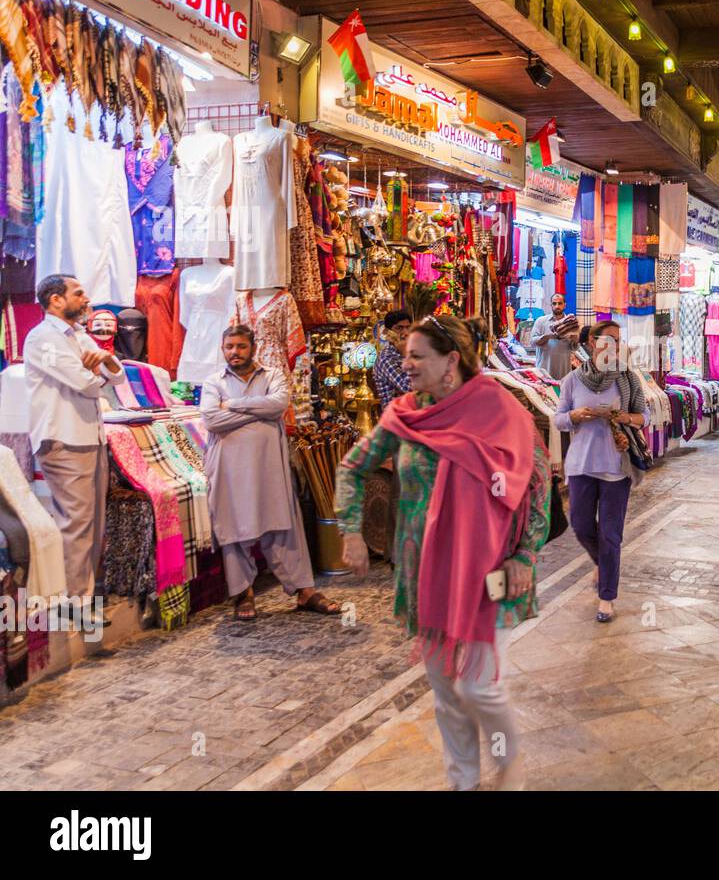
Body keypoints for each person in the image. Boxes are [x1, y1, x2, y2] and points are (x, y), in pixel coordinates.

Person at [336, 315, 552, 790]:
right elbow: (352, 467)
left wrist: (525, 555)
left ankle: (509, 766)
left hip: (489, 572)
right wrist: (350, 531)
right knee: (446, 693)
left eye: (417, 356)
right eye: (406, 354)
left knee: (478, 686)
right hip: (425, 574)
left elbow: (537, 485)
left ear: (451, 360)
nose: (406, 363)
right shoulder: (406, 415)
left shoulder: (501, 410)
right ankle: (463, 782)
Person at [201, 325, 340, 621]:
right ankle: (243, 593)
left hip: (269, 468)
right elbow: (212, 419)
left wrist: (235, 406)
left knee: (282, 524)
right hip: (229, 471)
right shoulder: (214, 381)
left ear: (253, 348)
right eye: (229, 347)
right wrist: (258, 410)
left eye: (240, 346)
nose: (234, 353)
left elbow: (278, 405)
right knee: (235, 527)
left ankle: (304, 590)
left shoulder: (272, 375)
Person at [24, 274, 125, 620]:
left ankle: (84, 596)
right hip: (63, 437)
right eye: (78, 293)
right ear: (55, 300)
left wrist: (105, 365)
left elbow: (117, 374)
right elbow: (85, 383)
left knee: (93, 521)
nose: (86, 298)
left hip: (89, 435)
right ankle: (75, 602)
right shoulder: (42, 338)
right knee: (76, 521)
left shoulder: (78, 335)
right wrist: (101, 371)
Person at [555, 321, 649, 623]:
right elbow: (558, 419)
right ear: (593, 343)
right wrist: (574, 415)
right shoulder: (572, 380)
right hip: (581, 464)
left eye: (618, 341)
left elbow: (643, 418)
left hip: (615, 465)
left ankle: (607, 596)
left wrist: (621, 417)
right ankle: (602, 564)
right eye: (609, 340)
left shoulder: (628, 379)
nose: (615, 346)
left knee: (610, 533)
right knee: (581, 525)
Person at [529, 292, 577, 381]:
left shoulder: (571, 323)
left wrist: (574, 338)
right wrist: (548, 336)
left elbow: (575, 348)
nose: (557, 306)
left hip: (564, 371)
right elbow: (532, 342)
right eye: (554, 303)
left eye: (560, 303)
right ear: (551, 305)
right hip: (544, 371)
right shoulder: (541, 321)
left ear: (565, 305)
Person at [374, 309, 412, 410]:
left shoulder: (413, 353)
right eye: (399, 328)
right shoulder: (386, 358)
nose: (405, 333)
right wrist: (407, 355)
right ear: (387, 332)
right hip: (396, 419)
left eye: (408, 328)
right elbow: (409, 388)